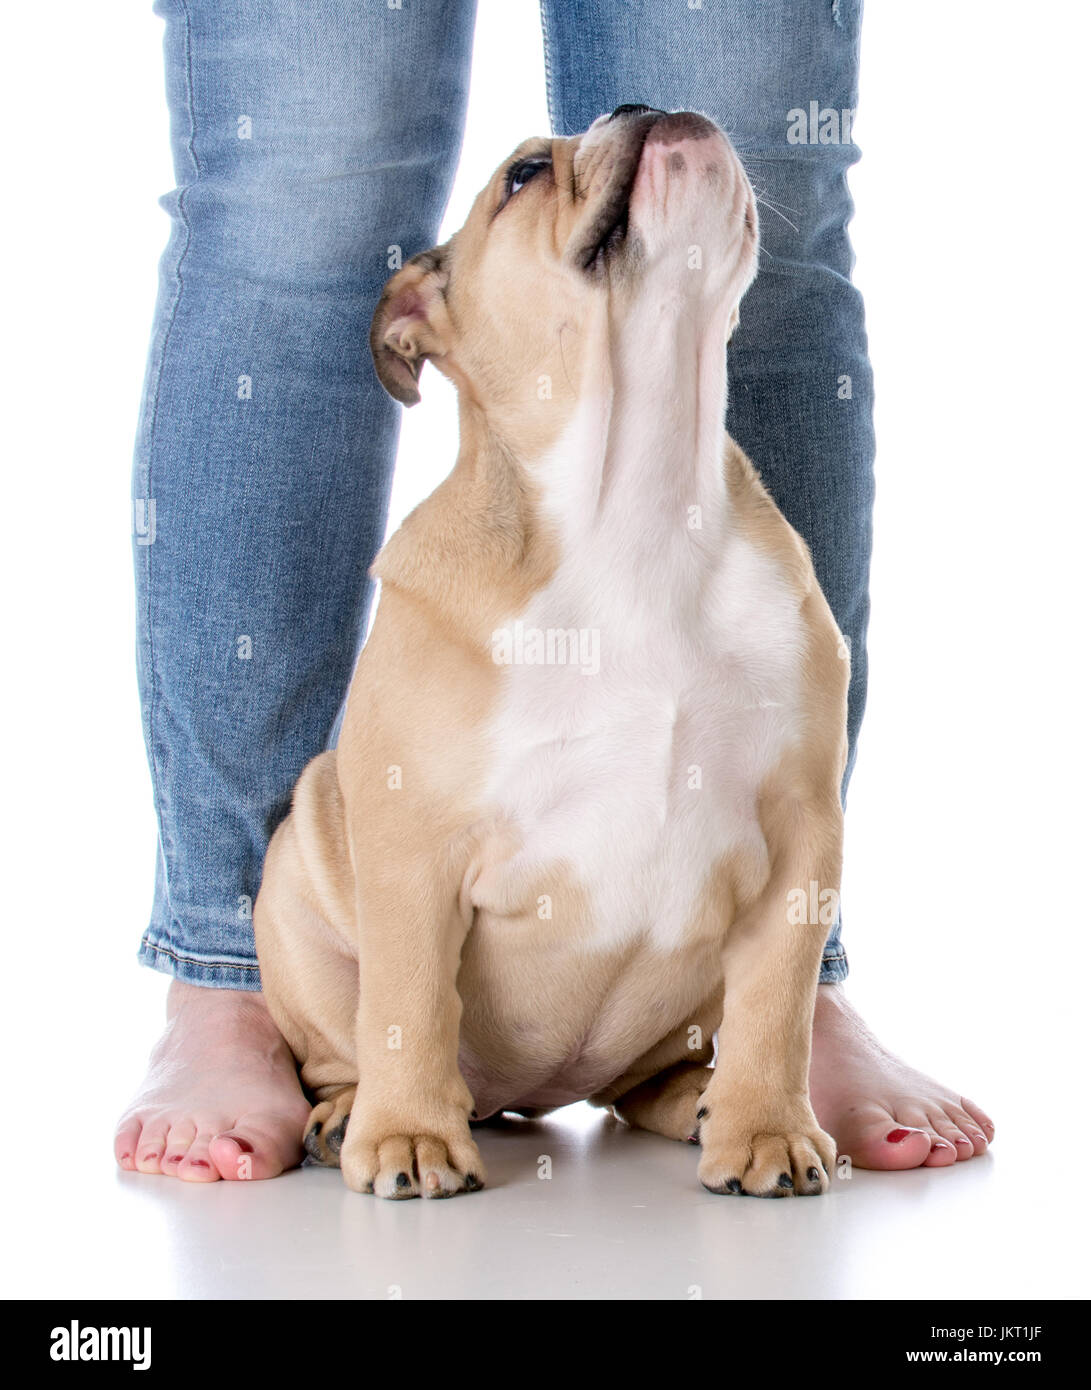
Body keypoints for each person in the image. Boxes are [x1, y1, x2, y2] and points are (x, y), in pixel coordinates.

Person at [116, 0, 993, 1182]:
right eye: (535, 174)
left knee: (761, 136)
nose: (600, 155)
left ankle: (760, 1039)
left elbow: (792, 828)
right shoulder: (439, 621)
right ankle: (251, 994)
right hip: (375, 947)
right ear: (428, 331)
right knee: (300, 178)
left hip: (661, 940)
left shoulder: (777, 610)